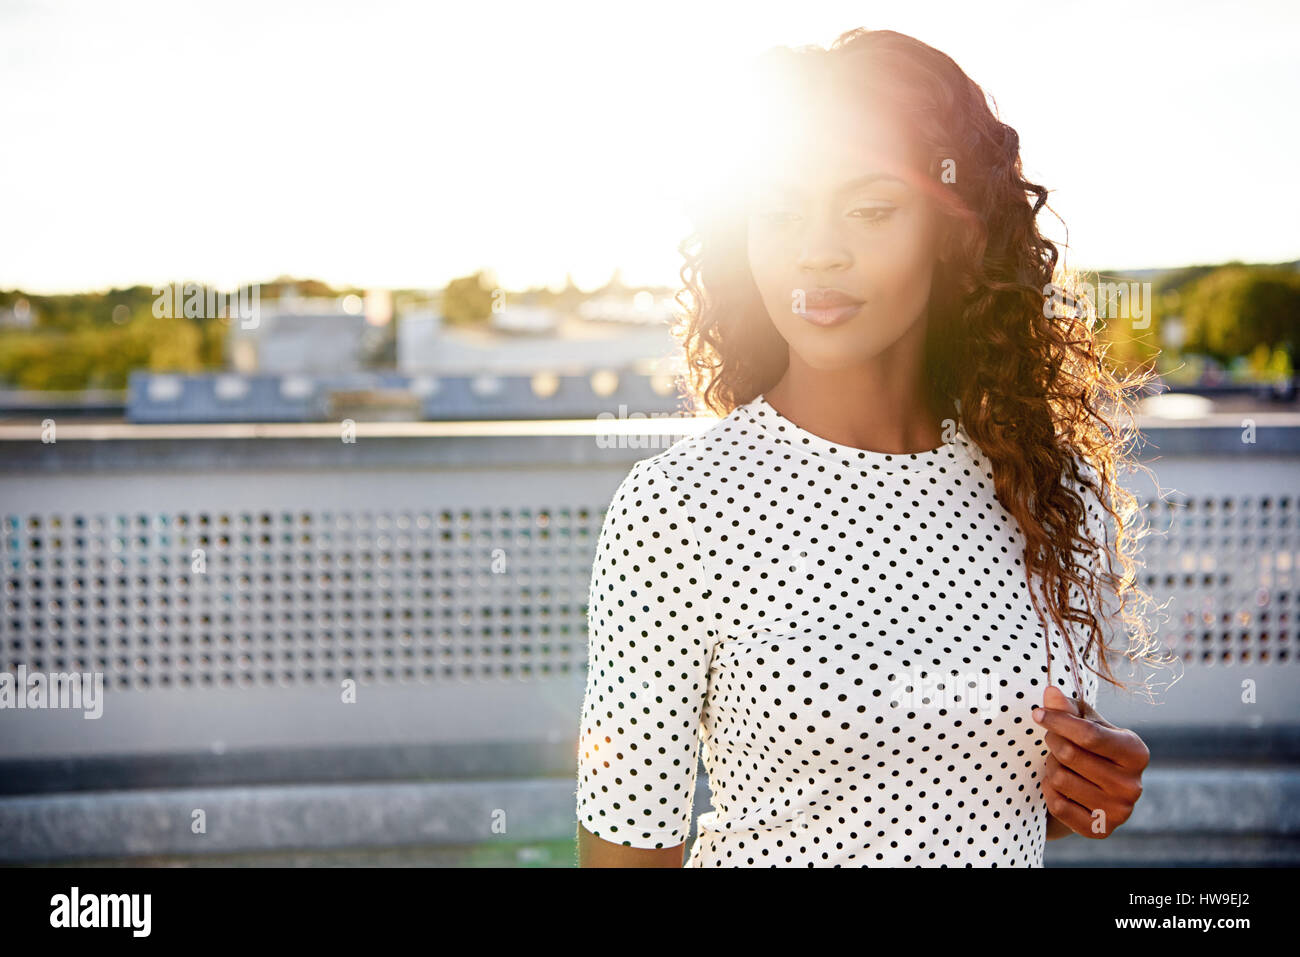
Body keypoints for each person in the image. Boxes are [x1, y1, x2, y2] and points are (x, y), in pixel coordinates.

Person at [575, 27, 1165, 867]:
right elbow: (627, 850)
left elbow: (969, 801)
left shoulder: (1044, 484)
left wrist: (1095, 795)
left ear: (953, 233)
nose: (818, 250)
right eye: (780, 210)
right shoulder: (679, 507)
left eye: (870, 208)